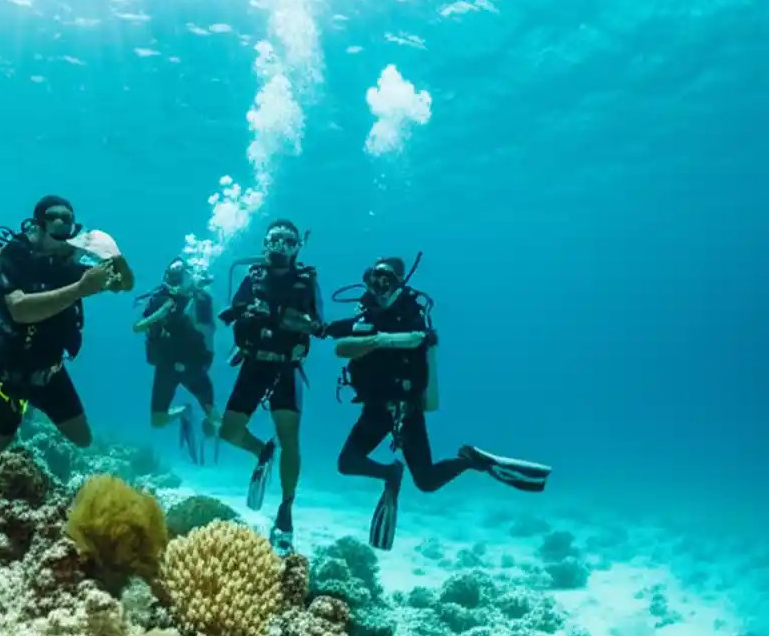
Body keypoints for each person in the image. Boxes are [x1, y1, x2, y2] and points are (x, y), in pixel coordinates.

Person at [328, 256, 552, 551]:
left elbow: (419, 337)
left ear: (399, 281)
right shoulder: (365, 314)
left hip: (406, 412)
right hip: (375, 409)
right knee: (347, 463)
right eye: (375, 278)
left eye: (387, 279)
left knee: (427, 481)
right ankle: (390, 473)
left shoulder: (410, 311)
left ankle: (470, 459)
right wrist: (314, 326)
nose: (380, 286)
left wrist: (376, 339)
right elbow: (336, 331)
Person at [0, 195, 123, 457]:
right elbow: (20, 309)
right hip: (11, 370)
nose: (60, 223)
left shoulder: (69, 264)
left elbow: (124, 283)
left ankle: (35, 404)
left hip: (50, 369)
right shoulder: (13, 256)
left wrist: (113, 256)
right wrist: (80, 289)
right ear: (38, 224)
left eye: (67, 218)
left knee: (83, 439)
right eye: (52, 217)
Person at [217, 220, 326, 554]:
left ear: (297, 247)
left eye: (288, 241)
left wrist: (278, 315)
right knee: (229, 432)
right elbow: (234, 313)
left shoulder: (307, 281)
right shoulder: (253, 277)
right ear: (264, 244)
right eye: (273, 239)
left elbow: (318, 325)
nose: (280, 245)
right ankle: (261, 451)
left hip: (286, 368)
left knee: (290, 438)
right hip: (253, 364)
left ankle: (286, 509)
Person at [133, 257, 219, 464]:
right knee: (158, 421)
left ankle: (210, 431)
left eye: (180, 279)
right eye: (171, 278)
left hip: (194, 366)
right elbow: (138, 327)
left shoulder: (201, 299)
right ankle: (184, 411)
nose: (175, 284)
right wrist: (162, 313)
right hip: (167, 364)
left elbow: (208, 333)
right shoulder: (158, 298)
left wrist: (188, 315)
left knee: (213, 420)